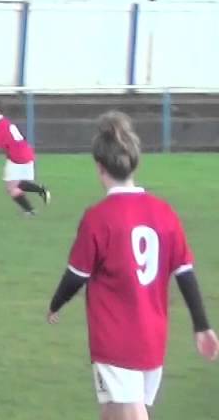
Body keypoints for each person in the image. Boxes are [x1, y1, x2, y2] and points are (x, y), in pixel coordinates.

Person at [47, 111, 218, 419]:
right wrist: (202, 325)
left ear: (99, 167)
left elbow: (76, 275)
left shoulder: (98, 218)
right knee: (113, 412)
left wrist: (56, 303)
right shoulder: (164, 212)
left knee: (131, 412)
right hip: (153, 339)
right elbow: (185, 273)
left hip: (115, 342)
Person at [0, 99, 50, 216]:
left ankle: (33, 204)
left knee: (12, 186)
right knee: (17, 184)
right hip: (26, 153)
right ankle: (36, 198)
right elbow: (2, 142)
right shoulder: (5, 123)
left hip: (17, 157)